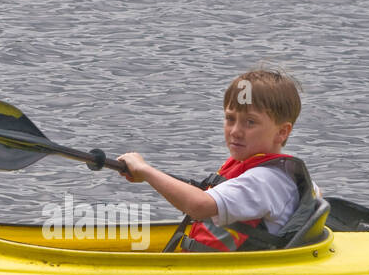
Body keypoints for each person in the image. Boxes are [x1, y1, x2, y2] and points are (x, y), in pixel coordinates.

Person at [117, 68, 321, 252]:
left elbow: (199, 206)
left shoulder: (264, 180)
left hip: (223, 274)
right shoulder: (283, 175)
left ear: (282, 132)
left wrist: (146, 171)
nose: (235, 132)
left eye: (250, 122)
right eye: (230, 118)